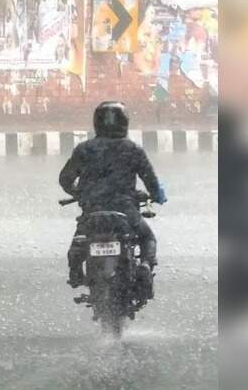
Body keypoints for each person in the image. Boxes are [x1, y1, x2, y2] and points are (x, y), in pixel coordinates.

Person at [59, 101, 167, 294]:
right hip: (125, 210)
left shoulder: (84, 149)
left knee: (79, 241)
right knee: (147, 237)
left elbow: (66, 179)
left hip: (93, 210)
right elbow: (151, 181)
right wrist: (157, 195)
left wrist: (80, 194)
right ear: (124, 123)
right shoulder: (133, 149)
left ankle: (75, 272)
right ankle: (145, 266)